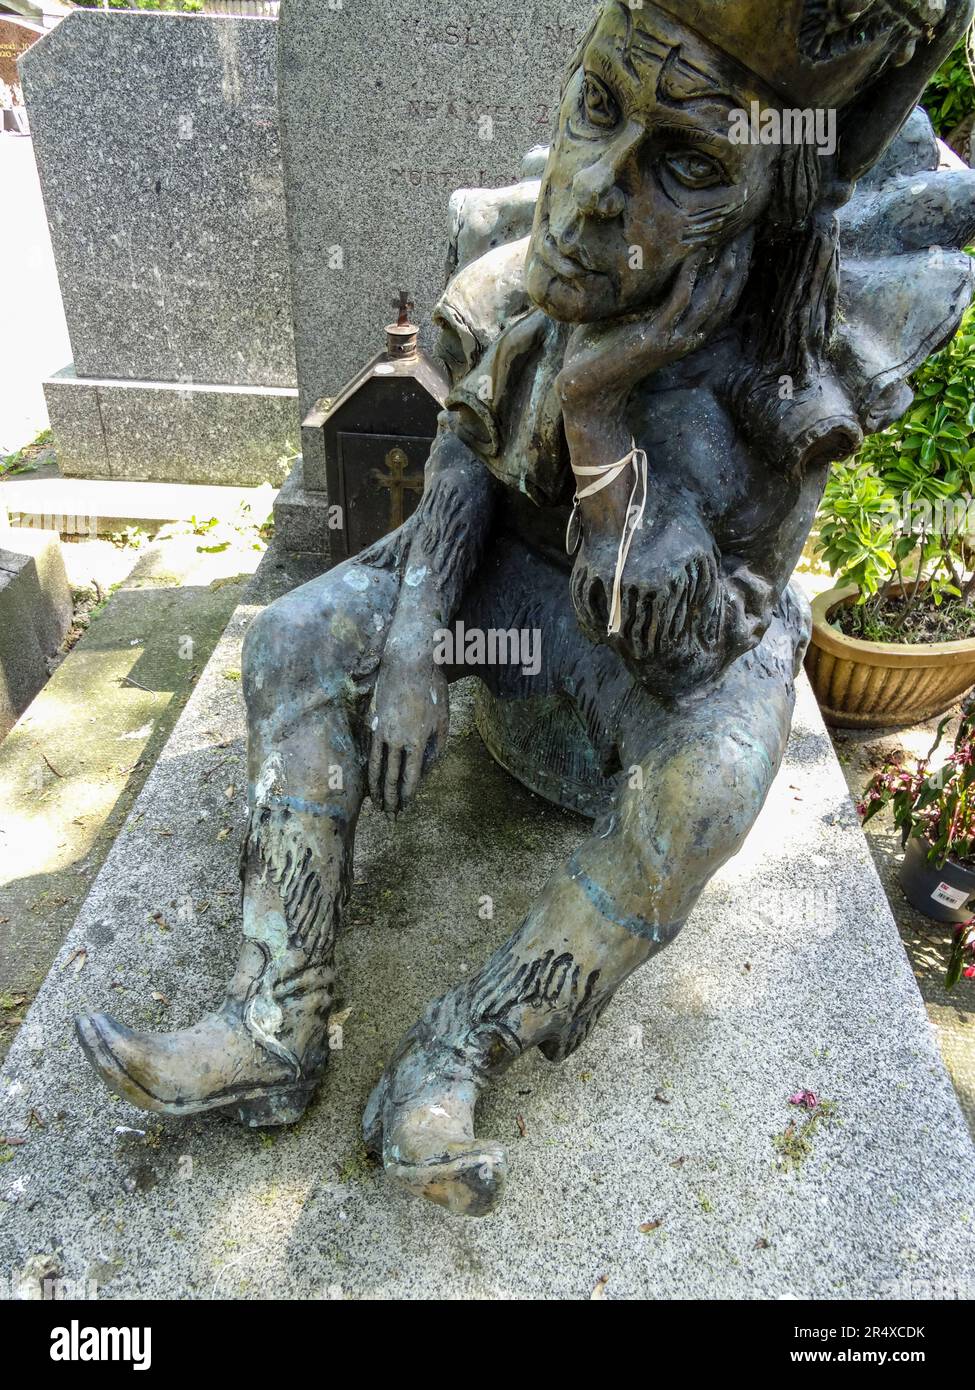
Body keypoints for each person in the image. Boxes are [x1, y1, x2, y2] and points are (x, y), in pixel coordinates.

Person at [78, 0, 975, 1215]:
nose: (603, 189)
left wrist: (603, 411)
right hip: (511, 579)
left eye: (688, 165)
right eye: (600, 107)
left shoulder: (787, 376)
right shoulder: (533, 265)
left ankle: (462, 1047)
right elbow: (466, 454)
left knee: (702, 794)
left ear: (767, 199)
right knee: (295, 637)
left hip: (665, 663)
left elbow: (696, 653)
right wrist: (410, 644)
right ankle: (276, 1015)